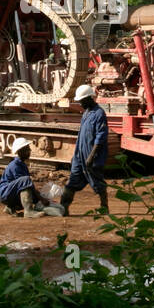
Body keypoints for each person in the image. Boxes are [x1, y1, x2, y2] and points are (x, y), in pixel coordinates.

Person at [57, 83, 109, 216]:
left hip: (92, 155)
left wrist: (91, 156)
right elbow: (82, 136)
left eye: (81, 101)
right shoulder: (86, 113)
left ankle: (104, 207)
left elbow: (100, 137)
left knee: (97, 182)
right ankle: (63, 207)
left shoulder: (99, 114)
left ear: (88, 99)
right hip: (80, 155)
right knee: (72, 181)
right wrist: (76, 155)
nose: (80, 104)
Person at [0, 138, 61, 218]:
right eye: (27, 149)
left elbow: (28, 188)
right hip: (4, 193)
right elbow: (25, 184)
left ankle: (10, 208)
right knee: (26, 180)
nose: (29, 150)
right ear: (21, 151)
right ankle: (28, 211)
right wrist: (41, 198)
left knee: (29, 190)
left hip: (9, 193)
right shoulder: (15, 165)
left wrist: (42, 199)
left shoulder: (22, 165)